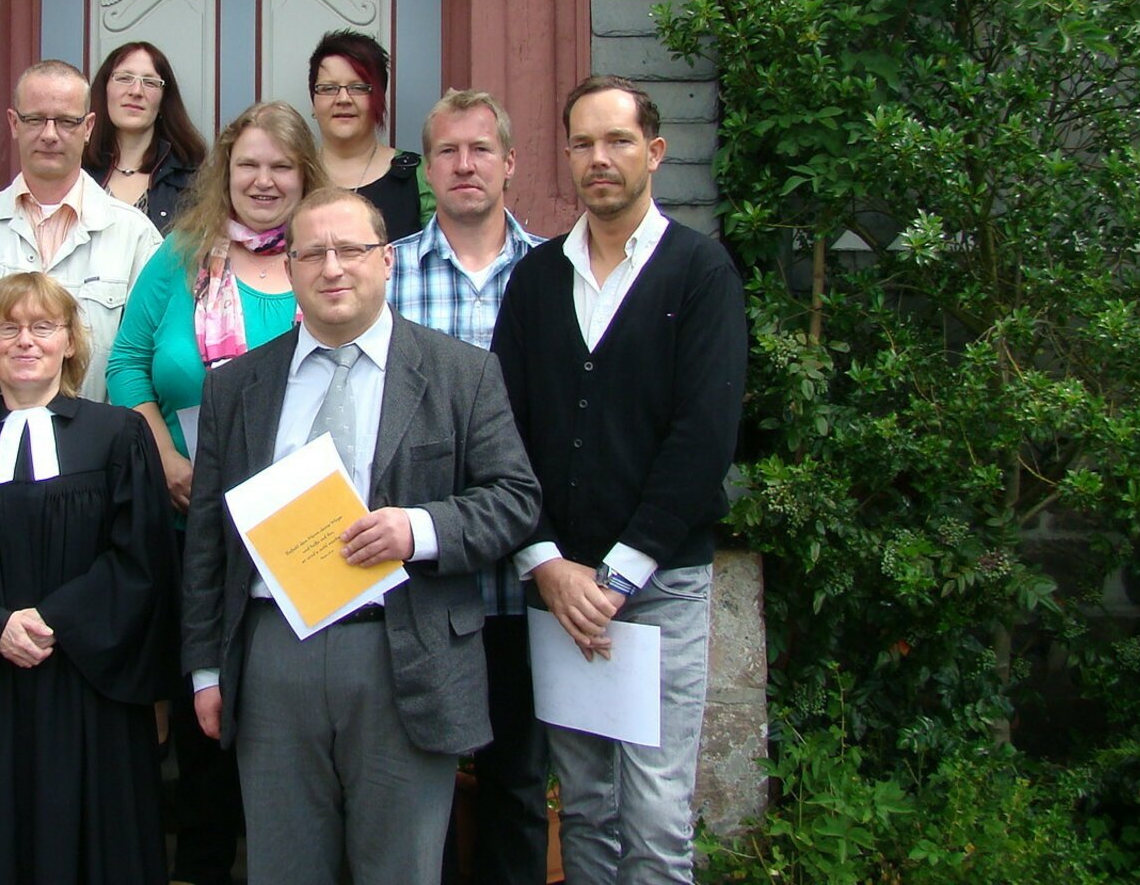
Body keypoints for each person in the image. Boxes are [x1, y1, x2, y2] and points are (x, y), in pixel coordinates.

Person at [182, 187, 541, 885]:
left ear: (387, 261)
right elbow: (207, 538)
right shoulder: (239, 387)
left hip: (405, 652)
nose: (332, 267)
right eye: (312, 252)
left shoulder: (459, 373)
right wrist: (204, 669)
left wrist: (421, 529)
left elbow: (515, 499)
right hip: (273, 654)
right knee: (282, 870)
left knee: (400, 871)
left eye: (349, 249)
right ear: (289, 269)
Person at [492, 76, 747, 885]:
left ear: (655, 152)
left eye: (618, 141)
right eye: (583, 143)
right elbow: (505, 432)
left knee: (658, 817)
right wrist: (548, 564)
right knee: (590, 809)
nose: (599, 159)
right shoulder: (535, 281)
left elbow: (703, 437)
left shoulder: (700, 274)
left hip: (660, 585)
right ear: (565, 156)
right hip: (560, 589)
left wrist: (619, 573)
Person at [0, 272, 181, 885]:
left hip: (91, 689)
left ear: (70, 343)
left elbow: (142, 558)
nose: (26, 341)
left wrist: (57, 622)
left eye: (43, 327)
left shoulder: (118, 436)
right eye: (9, 328)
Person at [106, 100, 327, 885]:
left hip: (300, 538)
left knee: (288, 729)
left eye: (281, 166)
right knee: (201, 728)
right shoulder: (183, 255)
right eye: (249, 165)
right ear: (225, 173)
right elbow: (128, 362)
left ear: (307, 177)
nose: (263, 181)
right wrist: (164, 454)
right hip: (186, 525)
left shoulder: (325, 259)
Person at [388, 89, 549, 885]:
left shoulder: (555, 274)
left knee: (519, 786)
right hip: (423, 584)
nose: (463, 165)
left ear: (510, 162)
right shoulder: (388, 276)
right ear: (429, 171)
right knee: (426, 791)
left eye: (480, 149)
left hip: (529, 577)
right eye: (447, 151)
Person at [0, 60, 163, 420]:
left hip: (99, 456)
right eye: (35, 120)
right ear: (14, 123)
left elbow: (143, 361)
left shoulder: (134, 236)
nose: (50, 134)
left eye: (66, 121)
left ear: (89, 127)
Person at [308, 30, 431, 240]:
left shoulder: (420, 175)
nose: (343, 99)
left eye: (358, 88)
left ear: (378, 99)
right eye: (329, 88)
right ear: (313, 102)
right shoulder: (293, 176)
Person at [83, 41, 207, 232]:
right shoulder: (77, 171)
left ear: (164, 100)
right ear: (104, 89)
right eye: (124, 78)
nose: (136, 91)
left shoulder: (192, 180)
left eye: (150, 82)